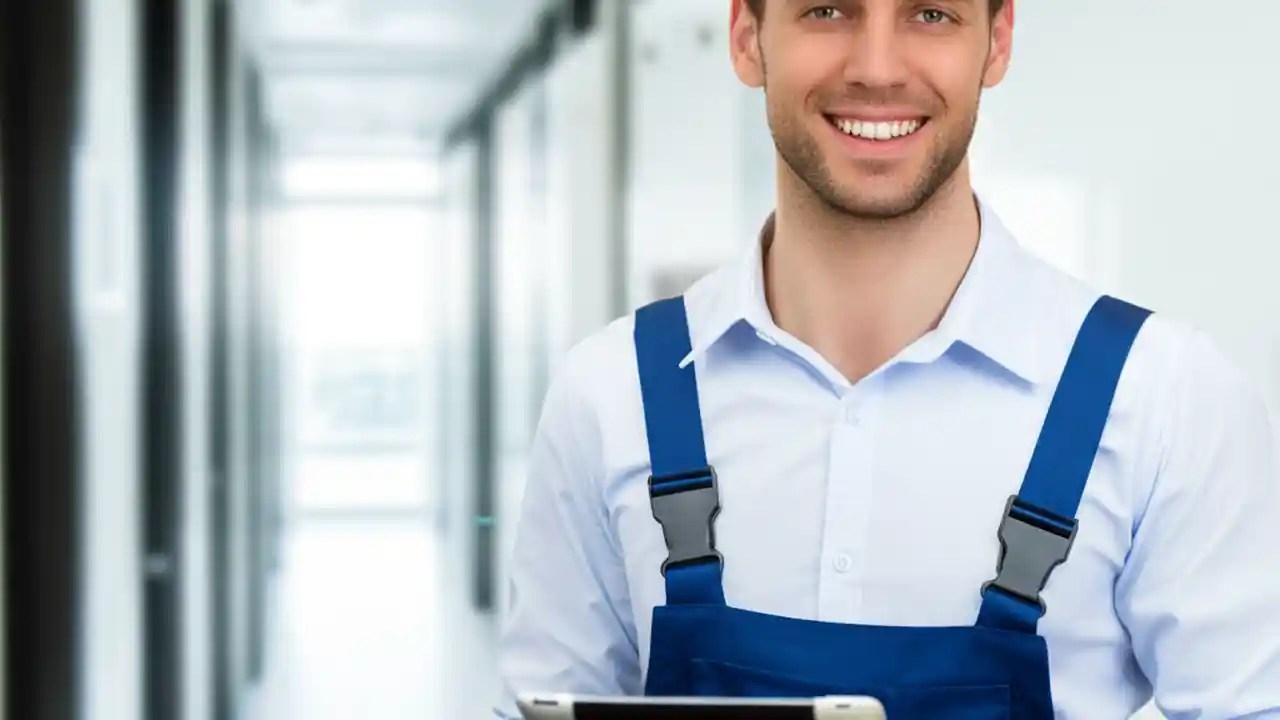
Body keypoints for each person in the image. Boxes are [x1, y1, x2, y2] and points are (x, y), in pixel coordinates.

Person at [496, 0, 1280, 717]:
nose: (876, 67)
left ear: (997, 42)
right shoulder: (610, 394)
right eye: (827, 10)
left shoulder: (1166, 400)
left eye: (931, 14)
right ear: (746, 38)